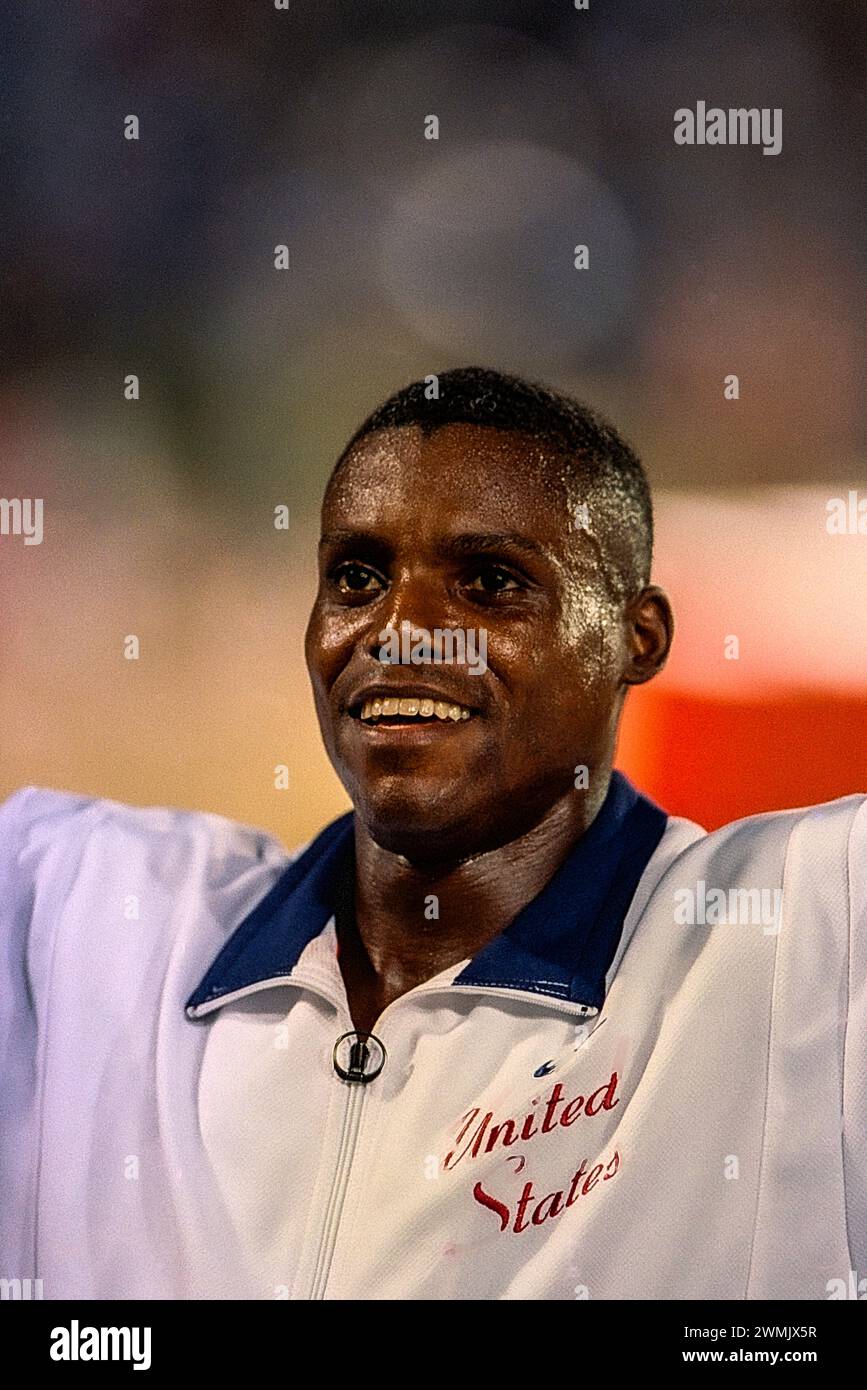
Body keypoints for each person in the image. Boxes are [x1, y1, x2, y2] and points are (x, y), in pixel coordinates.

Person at [1, 367, 864, 1300]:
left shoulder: (798, 942)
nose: (402, 630)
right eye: (357, 577)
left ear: (635, 637)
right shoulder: (78, 916)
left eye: (490, 583)